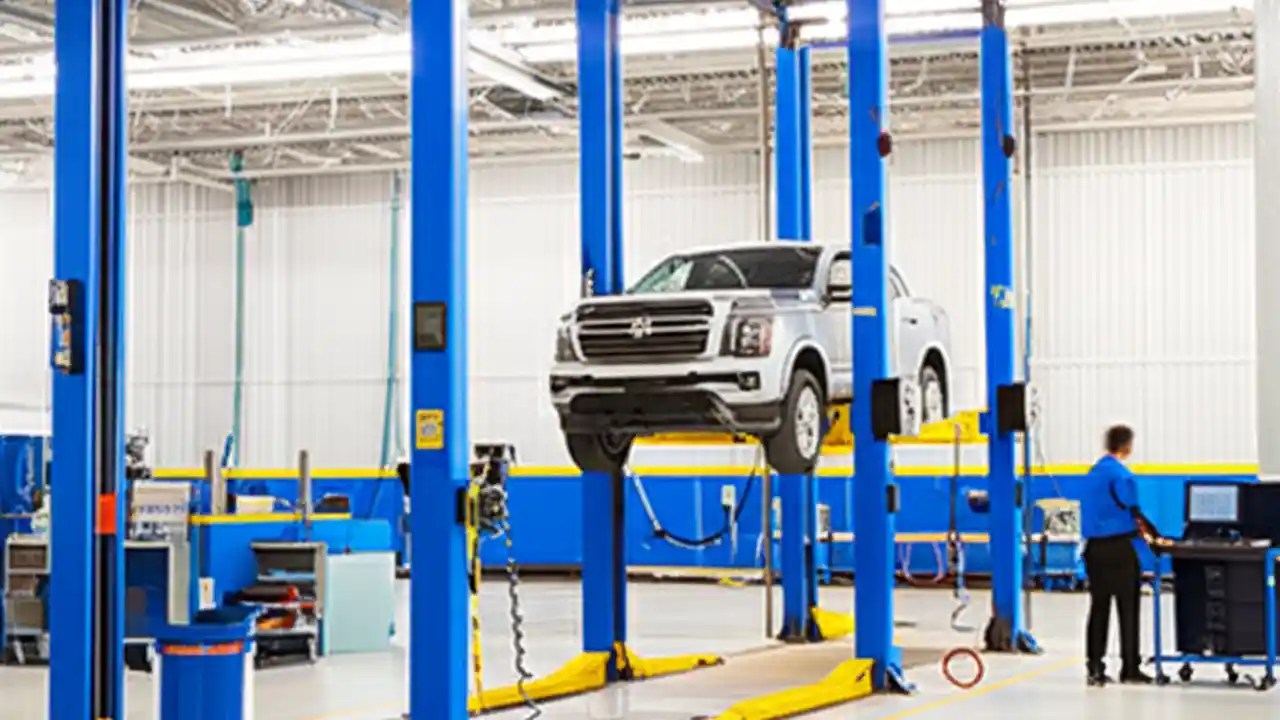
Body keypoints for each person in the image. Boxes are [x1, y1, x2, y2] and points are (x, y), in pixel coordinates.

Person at [1081, 424, 1153, 687]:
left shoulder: (1092, 474)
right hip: (1119, 549)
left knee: (1099, 607)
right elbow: (1134, 509)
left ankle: (1095, 667)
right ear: (1127, 446)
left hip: (1094, 549)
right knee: (1128, 606)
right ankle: (1130, 666)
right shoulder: (1122, 475)